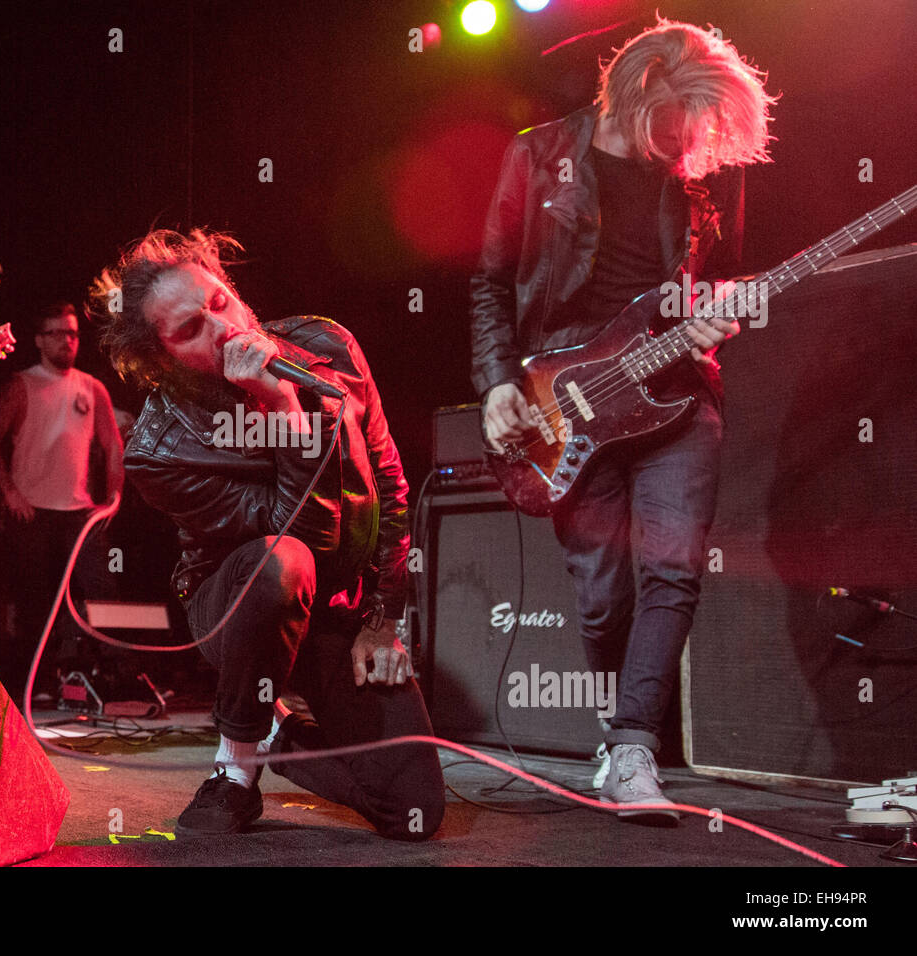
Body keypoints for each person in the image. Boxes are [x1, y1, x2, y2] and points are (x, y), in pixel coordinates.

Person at [470, 19, 776, 821]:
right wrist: (498, 382)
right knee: (604, 596)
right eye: (676, 123)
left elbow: (724, 279)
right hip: (565, 403)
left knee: (672, 573)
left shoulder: (705, 174)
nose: (687, 143)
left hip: (677, 396)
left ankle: (635, 748)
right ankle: (619, 732)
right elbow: (492, 282)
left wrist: (719, 312)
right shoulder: (537, 154)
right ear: (634, 92)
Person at [89, 229, 444, 841]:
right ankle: (238, 763)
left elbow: (389, 483)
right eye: (189, 330)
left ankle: (282, 741)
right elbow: (301, 536)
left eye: (219, 302)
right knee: (284, 563)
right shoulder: (158, 449)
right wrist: (281, 409)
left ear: (232, 288)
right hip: (238, 602)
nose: (221, 329)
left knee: (412, 809)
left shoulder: (329, 345)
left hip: (336, 607)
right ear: (162, 356)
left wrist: (384, 621)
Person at [0, 302, 125, 697]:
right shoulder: (20, 384)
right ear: (40, 339)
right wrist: (9, 491)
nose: (68, 341)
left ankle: (103, 680)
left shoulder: (93, 387)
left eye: (73, 333)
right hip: (33, 510)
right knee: (35, 603)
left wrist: (114, 494)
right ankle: (32, 686)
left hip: (80, 512)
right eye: (58, 333)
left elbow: (112, 445)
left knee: (100, 591)